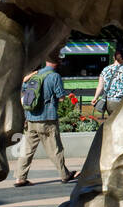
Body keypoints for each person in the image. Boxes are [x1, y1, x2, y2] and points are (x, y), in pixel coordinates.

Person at [13, 54, 76, 187]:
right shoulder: (55, 76)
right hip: (47, 118)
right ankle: (64, 175)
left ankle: (20, 178)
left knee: (27, 150)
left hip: (31, 118)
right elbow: (61, 96)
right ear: (56, 62)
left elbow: (23, 92)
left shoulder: (34, 75)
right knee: (55, 148)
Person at [94, 50, 123, 115]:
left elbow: (100, 86)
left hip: (108, 102)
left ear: (113, 57)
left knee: (112, 121)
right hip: (120, 101)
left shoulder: (106, 69)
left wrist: (95, 98)